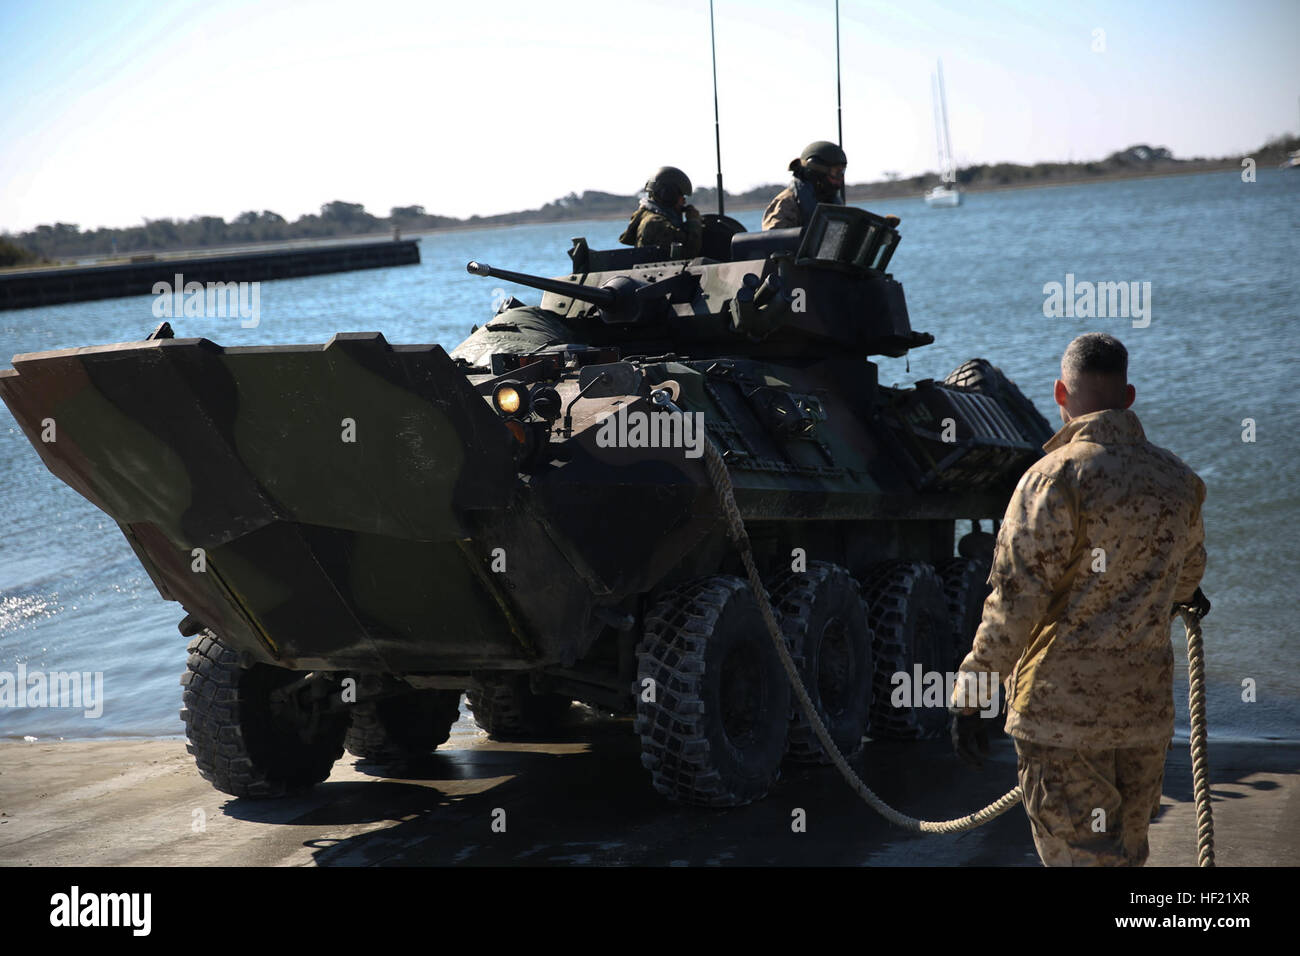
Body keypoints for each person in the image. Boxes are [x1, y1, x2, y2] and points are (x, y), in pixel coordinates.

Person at [949, 332, 1208, 867]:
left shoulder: (1053, 478)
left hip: (1061, 718)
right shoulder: (1179, 481)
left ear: (1060, 394)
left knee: (1083, 859)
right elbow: (1187, 582)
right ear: (1129, 396)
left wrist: (972, 695)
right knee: (1127, 857)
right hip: (1142, 717)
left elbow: (1015, 601)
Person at [761, 140, 847, 231]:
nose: (841, 179)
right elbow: (774, 241)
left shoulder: (832, 203)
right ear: (816, 173)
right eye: (836, 172)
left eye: (842, 172)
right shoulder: (785, 204)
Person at [618, 166, 702, 257]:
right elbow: (689, 252)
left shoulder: (652, 218)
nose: (684, 201)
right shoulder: (655, 223)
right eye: (681, 196)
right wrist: (693, 223)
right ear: (669, 195)